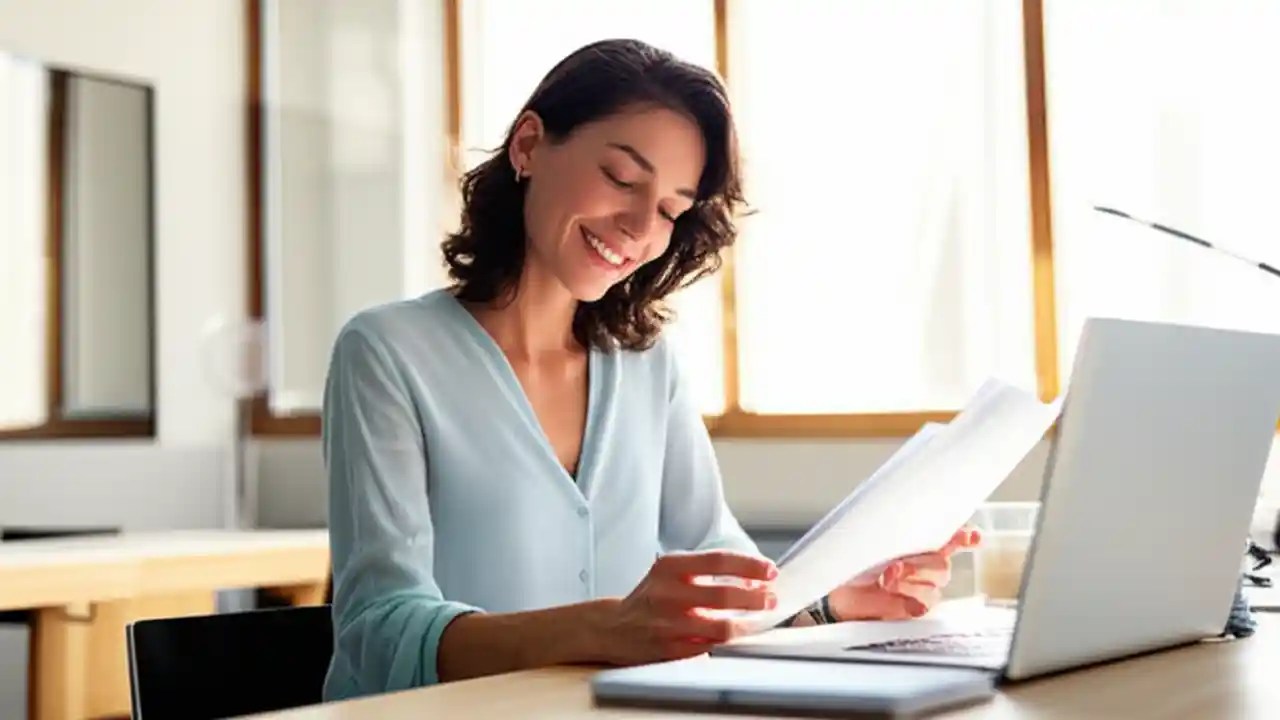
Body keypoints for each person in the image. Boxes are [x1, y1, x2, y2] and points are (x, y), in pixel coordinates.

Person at [320, 38, 979, 701]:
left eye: (669, 209)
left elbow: (724, 577)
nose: (640, 225)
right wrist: (609, 626)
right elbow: (380, 631)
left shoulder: (647, 365)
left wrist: (829, 603)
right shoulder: (387, 352)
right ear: (528, 145)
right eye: (622, 178)